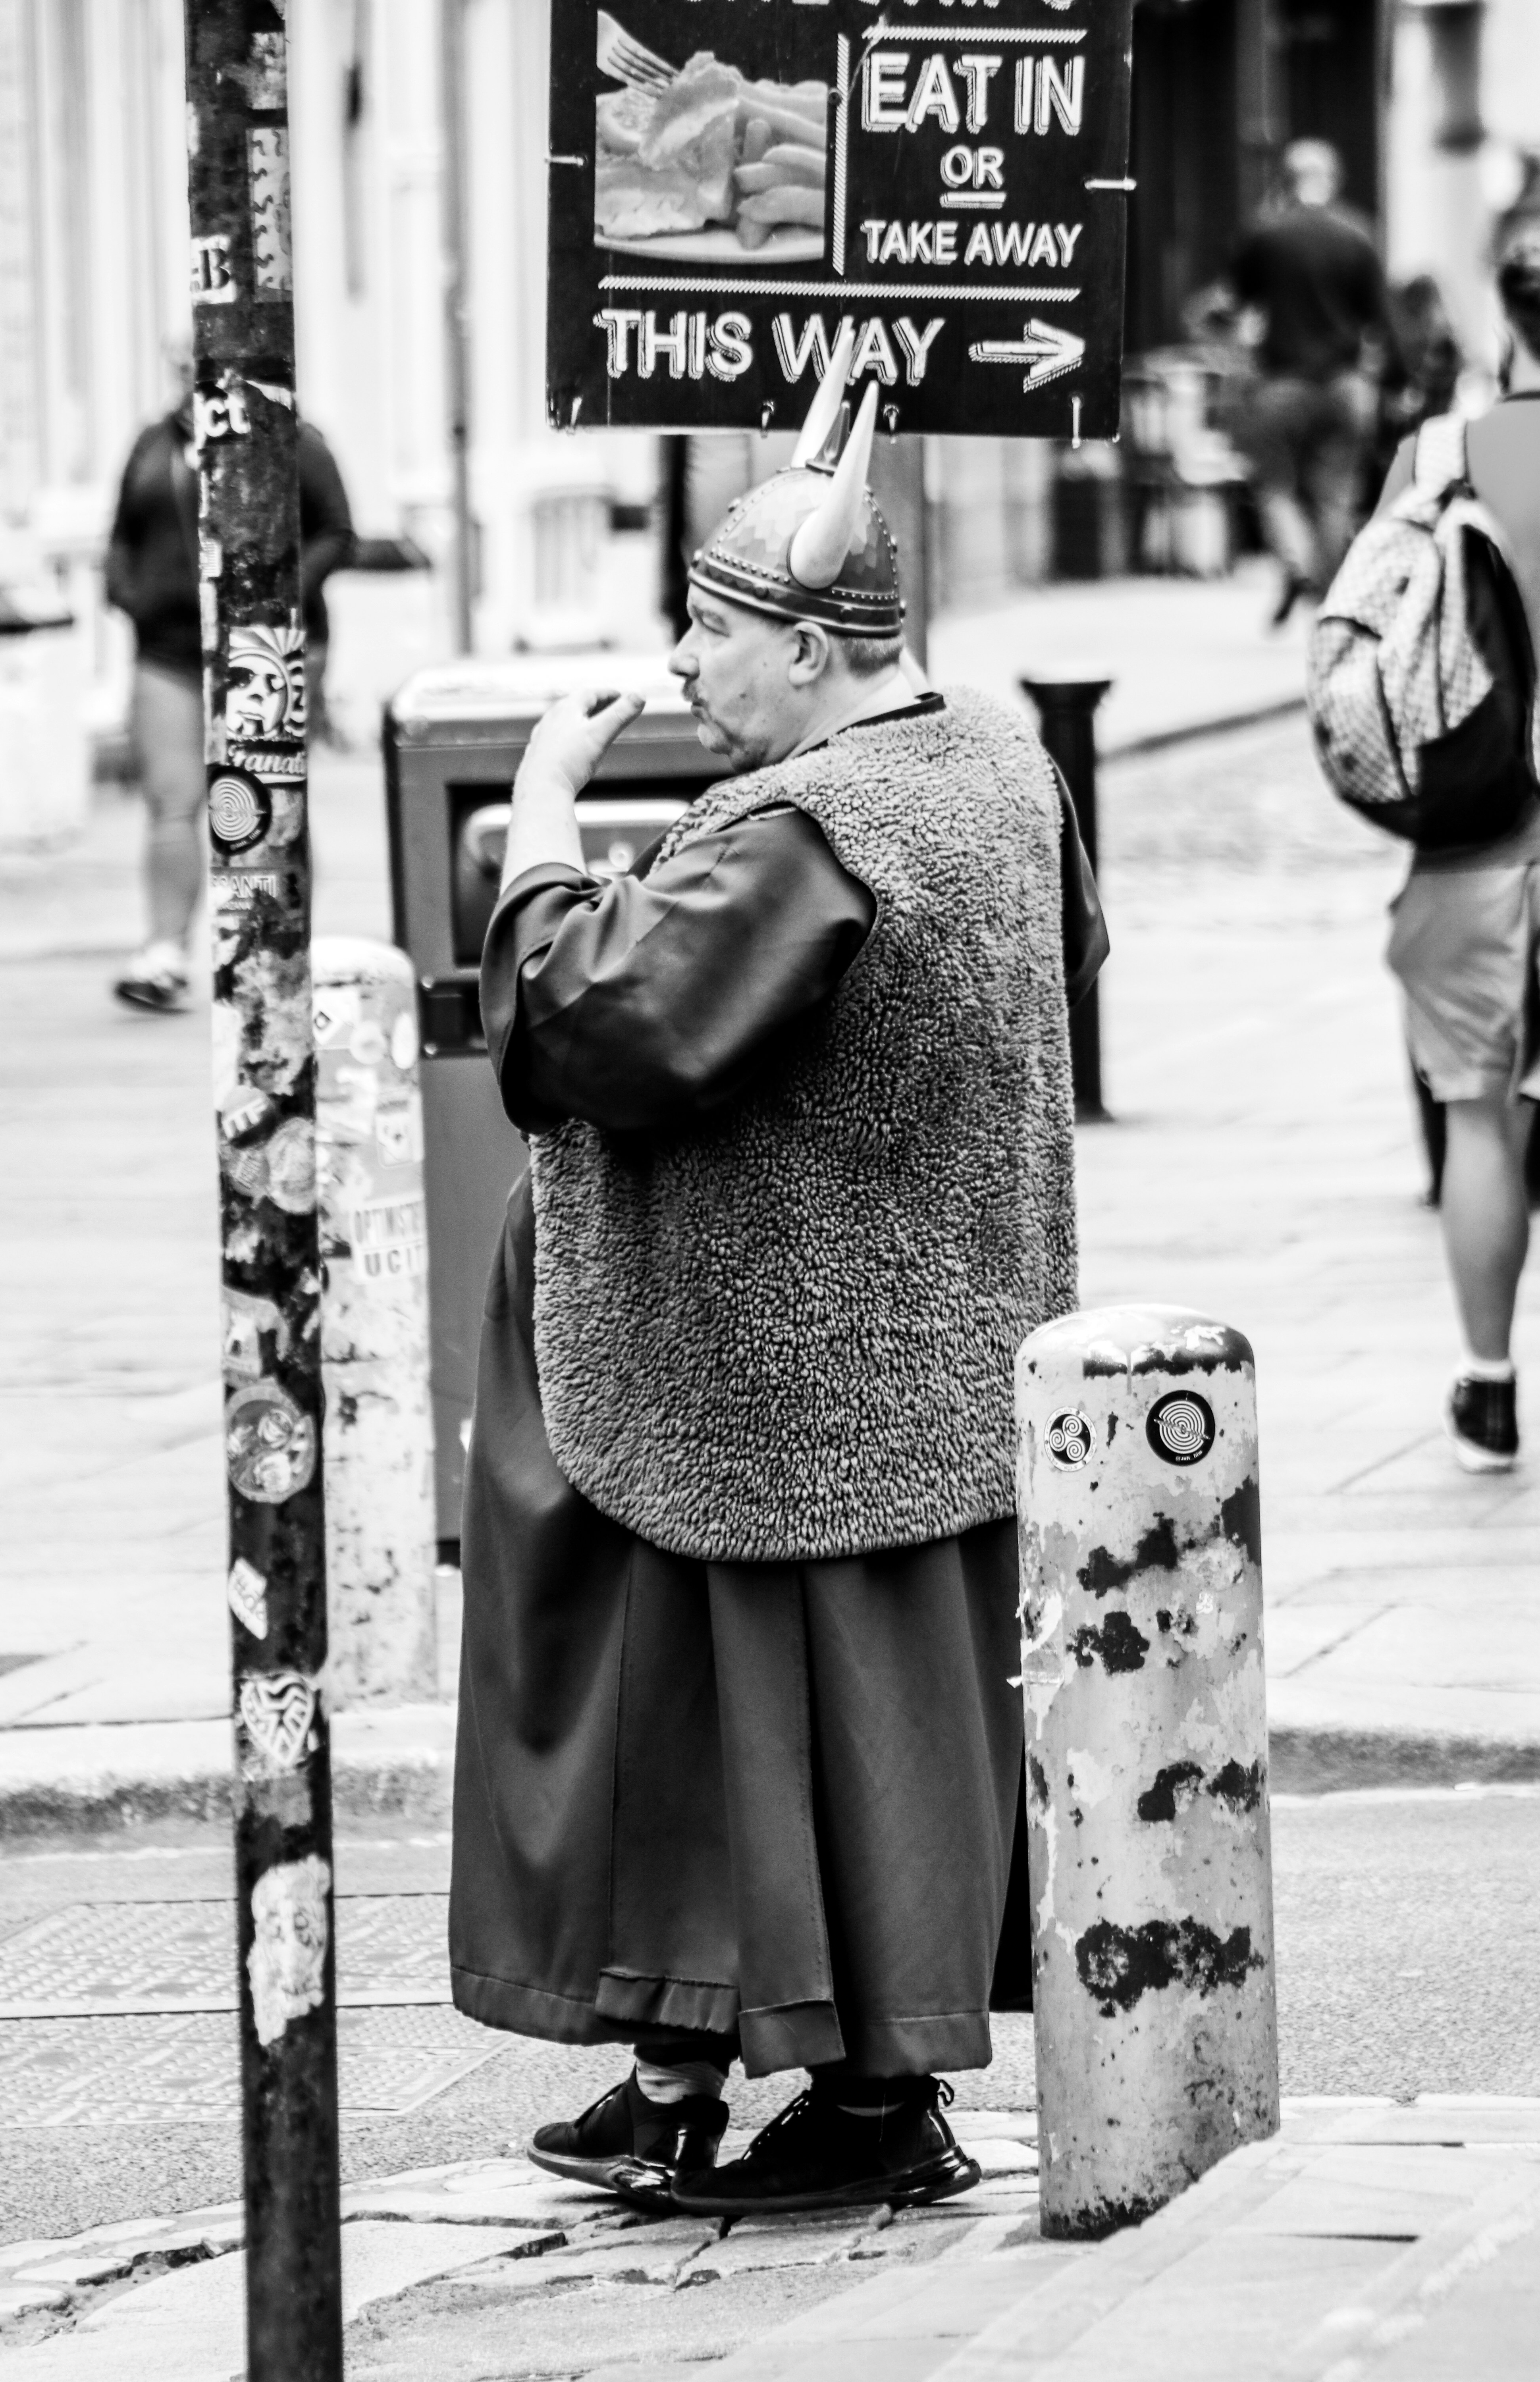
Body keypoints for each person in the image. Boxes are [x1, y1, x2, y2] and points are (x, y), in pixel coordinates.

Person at [448, 341, 1094, 2218]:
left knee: (731, 1745)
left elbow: (600, 1023)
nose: (677, 671)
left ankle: (781, 2095)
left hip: (767, 1373)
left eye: (706, 637)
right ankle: (813, 2091)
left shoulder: (805, 823)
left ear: (806, 649)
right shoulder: (995, 760)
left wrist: (550, 819)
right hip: (933, 1346)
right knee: (866, 1750)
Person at [1376, 235, 1540, 1472]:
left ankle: (1488, 1385)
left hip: (1477, 835)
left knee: (1479, 1116)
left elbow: (1372, 634)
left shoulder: (1443, 457)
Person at [104, 343, 355, 1012]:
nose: (193, 377)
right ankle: (163, 953)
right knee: (176, 797)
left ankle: (268, 946)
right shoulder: (154, 444)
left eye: (205, 362)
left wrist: (273, 594)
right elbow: (123, 532)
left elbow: (337, 531)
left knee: (257, 802)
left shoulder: (292, 438)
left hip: (262, 645)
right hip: (170, 648)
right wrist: (128, 593)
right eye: (182, 364)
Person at [1231, 139, 1395, 623]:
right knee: (1334, 496)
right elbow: (1382, 322)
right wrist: (1396, 384)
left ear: (1285, 179)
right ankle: (1329, 604)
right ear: (1334, 180)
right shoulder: (1358, 235)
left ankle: (1297, 564)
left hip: (1281, 384)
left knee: (1274, 487)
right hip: (1345, 387)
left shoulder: (1264, 233)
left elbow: (1239, 304)